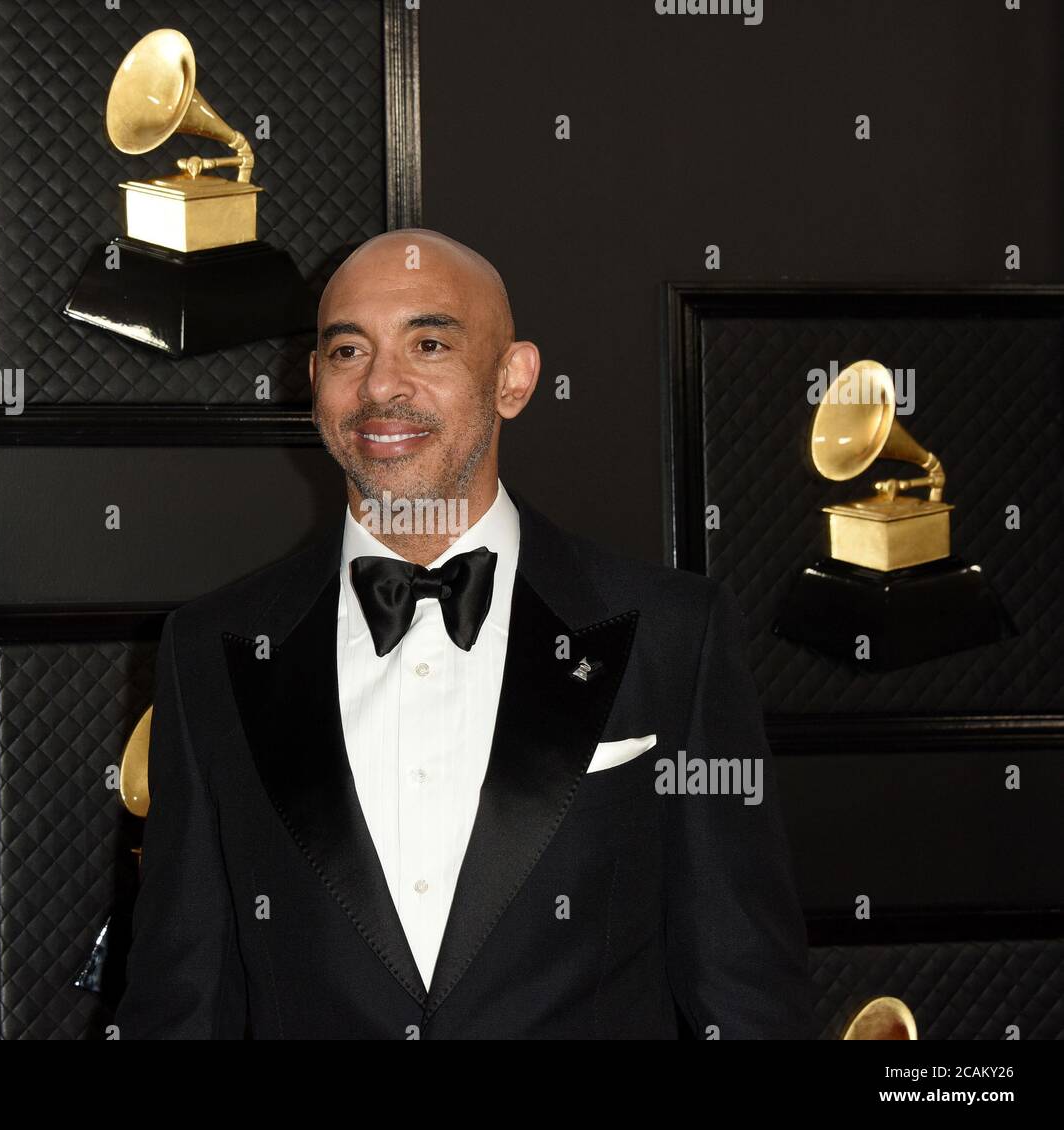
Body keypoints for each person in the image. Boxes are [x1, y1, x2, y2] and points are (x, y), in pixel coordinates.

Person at [114, 229, 816, 1039]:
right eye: (347, 351)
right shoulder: (212, 647)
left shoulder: (672, 634)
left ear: (513, 379)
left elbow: (747, 992)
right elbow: (179, 999)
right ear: (313, 384)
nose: (382, 385)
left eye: (430, 343)